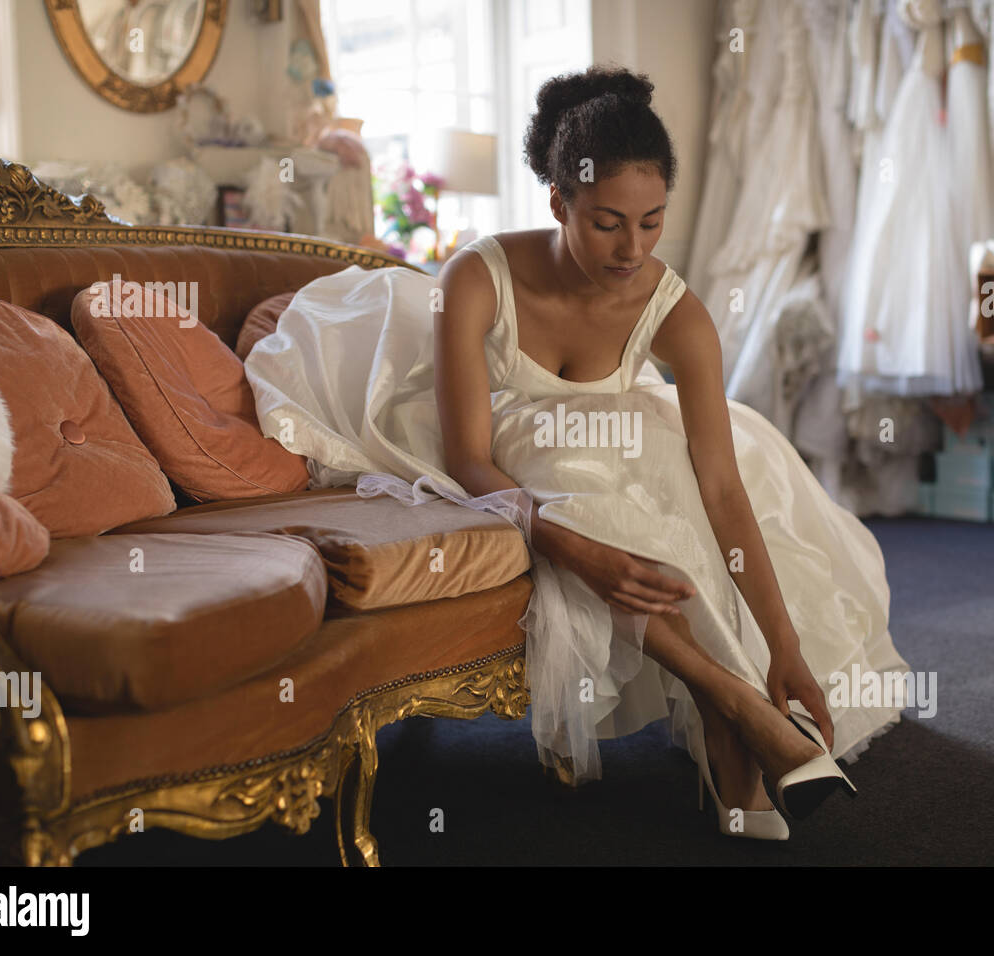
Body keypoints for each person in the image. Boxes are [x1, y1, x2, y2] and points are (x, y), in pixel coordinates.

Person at [246, 66, 909, 841]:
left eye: (653, 221)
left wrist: (787, 645)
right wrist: (574, 548)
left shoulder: (677, 312)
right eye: (606, 223)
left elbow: (725, 493)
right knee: (572, 479)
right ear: (559, 202)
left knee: (676, 481)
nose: (633, 249)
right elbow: (470, 462)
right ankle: (736, 713)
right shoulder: (476, 278)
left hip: (612, 437)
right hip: (479, 438)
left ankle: (745, 718)